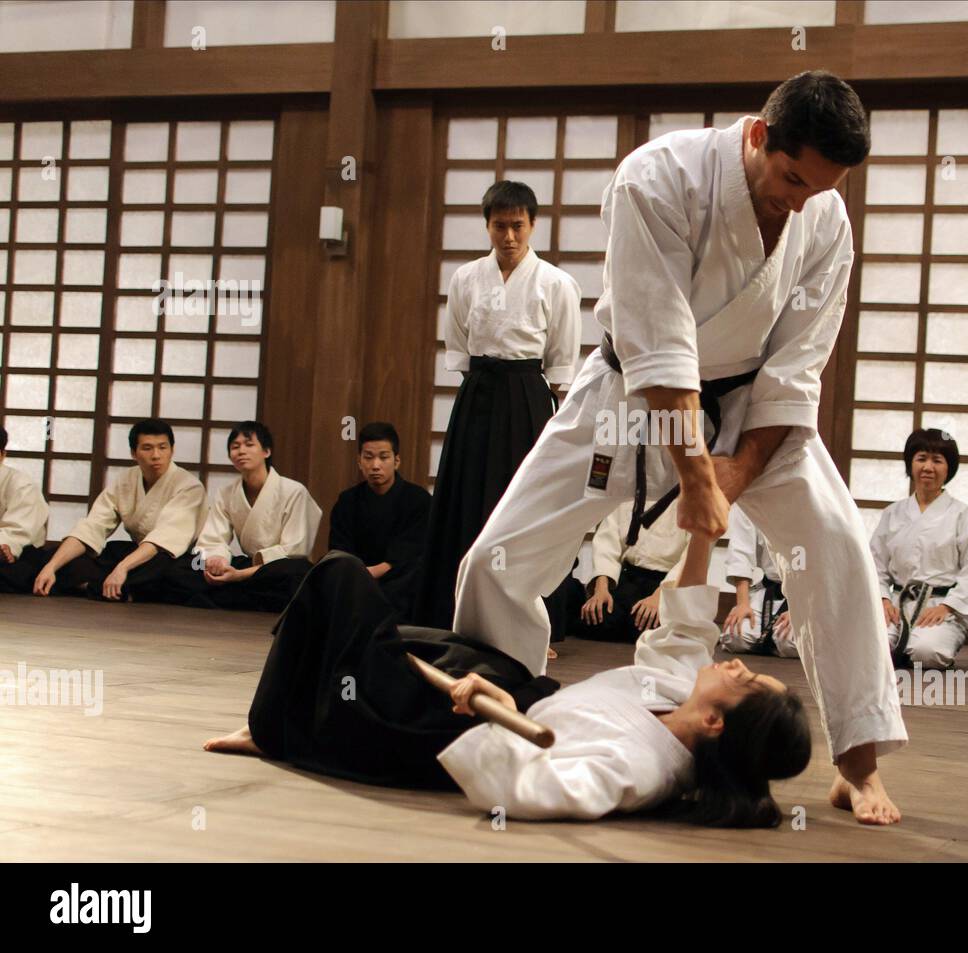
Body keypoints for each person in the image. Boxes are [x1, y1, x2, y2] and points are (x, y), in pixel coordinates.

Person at [449, 71, 907, 825]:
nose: (798, 201)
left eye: (817, 190)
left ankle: (857, 764)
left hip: (755, 406)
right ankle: (497, 709)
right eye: (791, 178)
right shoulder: (658, 179)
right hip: (634, 393)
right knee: (500, 553)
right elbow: (660, 343)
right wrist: (697, 476)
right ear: (759, 134)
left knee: (837, 544)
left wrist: (739, 468)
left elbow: (797, 366)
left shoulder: (823, 214)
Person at [204, 531, 812, 827]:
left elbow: (529, 790)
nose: (738, 663)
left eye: (748, 681)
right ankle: (299, 712)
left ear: (715, 721)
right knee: (388, 636)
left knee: (340, 577)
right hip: (503, 690)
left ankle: (271, 729)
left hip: (436, 730)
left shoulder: (640, 769)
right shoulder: (677, 699)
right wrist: (704, 531)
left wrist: (500, 716)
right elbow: (685, 633)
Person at [415, 181, 581, 632]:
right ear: (487, 225)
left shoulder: (557, 283)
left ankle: (532, 624)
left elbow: (562, 362)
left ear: (532, 225)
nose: (509, 236)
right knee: (468, 500)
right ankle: (459, 615)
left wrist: (562, 426)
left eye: (518, 226)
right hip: (480, 393)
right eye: (500, 226)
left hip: (528, 395)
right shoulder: (466, 278)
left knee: (525, 505)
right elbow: (461, 349)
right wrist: (482, 391)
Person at [33, 419, 206, 601]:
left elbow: (165, 539)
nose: (156, 455)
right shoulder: (126, 480)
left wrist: (122, 568)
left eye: (162, 447)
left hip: (178, 558)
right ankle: (119, 588)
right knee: (63, 556)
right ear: (134, 453)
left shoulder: (189, 486)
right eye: (147, 448)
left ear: (172, 450)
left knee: (173, 572)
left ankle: (99, 586)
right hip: (140, 554)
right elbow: (93, 526)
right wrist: (51, 566)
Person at [156, 421, 321, 612]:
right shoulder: (226, 493)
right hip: (244, 565)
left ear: (266, 451)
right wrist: (217, 560)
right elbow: (213, 538)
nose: (241, 451)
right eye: (235, 447)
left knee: (298, 572)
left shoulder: (294, 491)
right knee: (182, 568)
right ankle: (242, 594)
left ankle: (231, 594)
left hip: (277, 568)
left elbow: (294, 550)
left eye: (249, 445)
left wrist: (240, 575)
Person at [870, 429, 968, 669]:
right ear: (910, 464)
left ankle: (910, 648)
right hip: (897, 603)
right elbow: (875, 565)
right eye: (921, 458)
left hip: (941, 605)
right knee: (870, 646)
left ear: (949, 468)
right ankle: (898, 646)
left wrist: (948, 607)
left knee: (928, 653)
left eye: (937, 460)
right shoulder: (893, 513)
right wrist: (882, 599)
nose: (928, 467)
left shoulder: (963, 516)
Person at [328, 421, 430, 623]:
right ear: (359, 462)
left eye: (384, 457)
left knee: (417, 572)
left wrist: (373, 572)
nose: (375, 465)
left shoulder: (418, 499)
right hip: (356, 578)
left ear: (397, 460)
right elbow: (339, 547)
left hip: (399, 579)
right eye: (368, 457)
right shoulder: (347, 501)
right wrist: (359, 573)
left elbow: (412, 550)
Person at [570, 497, 689, 642]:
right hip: (630, 578)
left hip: (669, 585)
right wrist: (601, 588)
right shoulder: (633, 490)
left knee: (645, 626)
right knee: (596, 619)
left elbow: (690, 559)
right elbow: (607, 540)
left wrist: (660, 596)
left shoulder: (693, 497)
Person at [721, 503, 797, 658]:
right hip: (772, 590)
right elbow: (740, 554)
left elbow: (818, 562)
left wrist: (799, 609)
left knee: (789, 642)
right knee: (734, 636)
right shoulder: (748, 499)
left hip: (807, 595)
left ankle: (772, 640)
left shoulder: (805, 497)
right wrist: (743, 603)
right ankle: (771, 640)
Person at [0, 426, 50, 594]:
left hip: (20, 554)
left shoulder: (21, 484)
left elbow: (18, 530)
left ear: (2, 455)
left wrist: (5, 546)